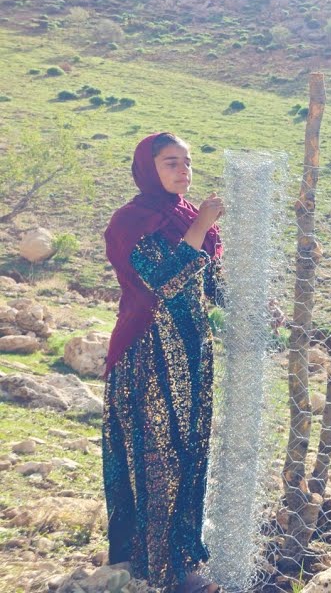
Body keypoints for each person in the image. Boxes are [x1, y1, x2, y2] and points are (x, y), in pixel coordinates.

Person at [102, 133, 224, 593]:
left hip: (193, 352)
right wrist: (202, 228)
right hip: (147, 353)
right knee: (159, 456)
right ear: (147, 168)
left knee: (189, 454)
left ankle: (176, 559)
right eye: (171, 162)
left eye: (188, 163)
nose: (183, 171)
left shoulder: (194, 220)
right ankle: (166, 570)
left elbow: (209, 288)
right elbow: (164, 280)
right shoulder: (131, 221)